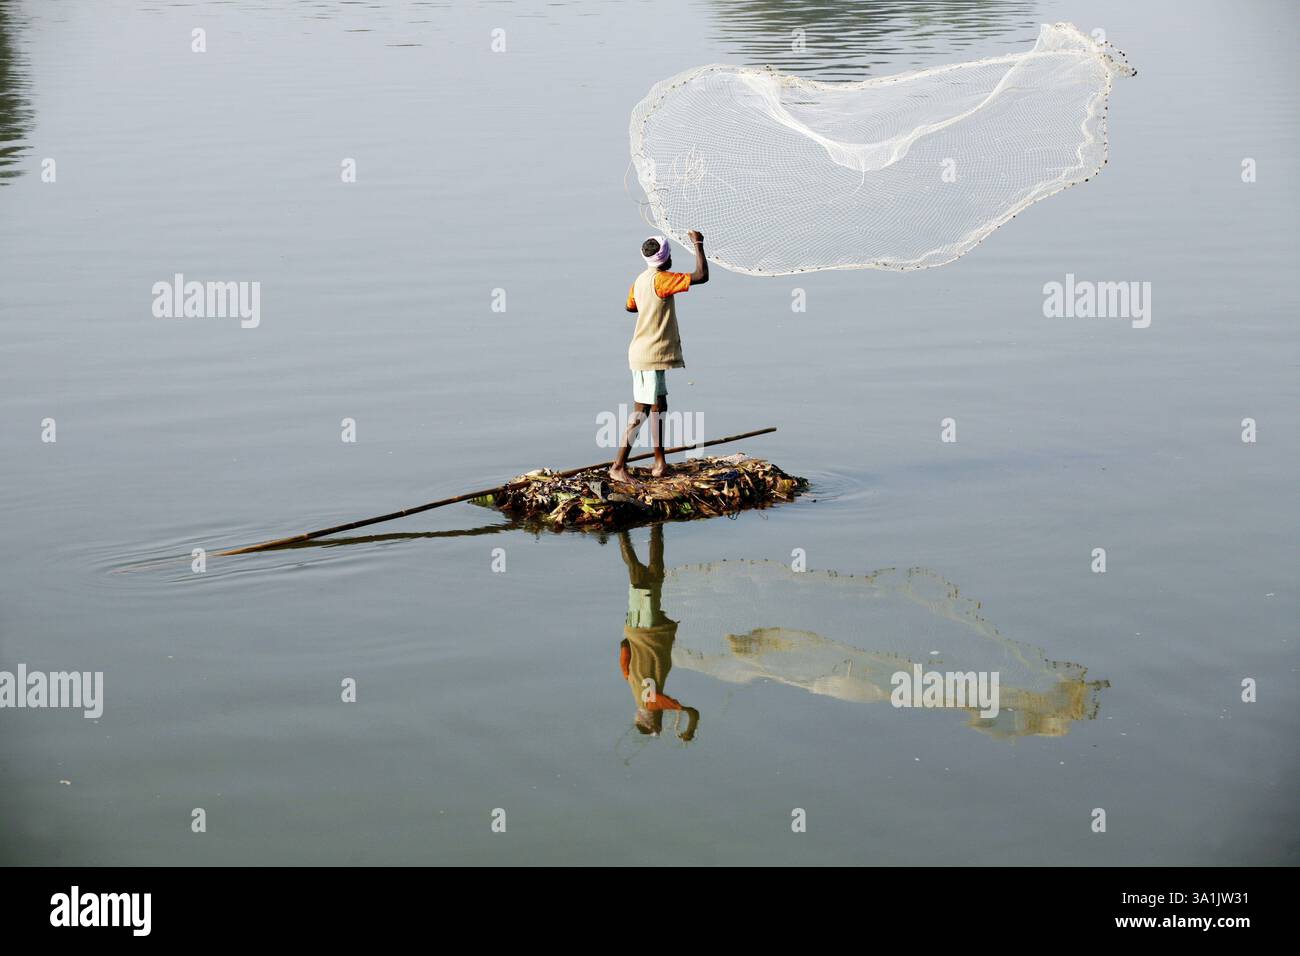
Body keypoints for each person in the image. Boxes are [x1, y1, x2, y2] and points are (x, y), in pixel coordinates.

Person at [609, 230, 708, 484]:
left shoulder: (640, 280)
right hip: (647, 355)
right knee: (641, 411)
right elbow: (701, 276)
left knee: (659, 406)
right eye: (670, 256)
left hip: (650, 353)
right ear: (664, 260)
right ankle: (618, 466)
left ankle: (659, 463)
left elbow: (630, 306)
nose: (672, 259)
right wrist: (698, 244)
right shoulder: (662, 280)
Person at [617, 524, 699, 740]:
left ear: (649, 716)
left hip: (648, 629)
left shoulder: (647, 700)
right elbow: (624, 651)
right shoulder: (632, 683)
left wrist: (688, 720)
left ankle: (621, 529)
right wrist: (631, 637)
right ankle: (655, 526)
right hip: (639, 627)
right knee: (652, 575)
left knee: (639, 575)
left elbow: (687, 710)